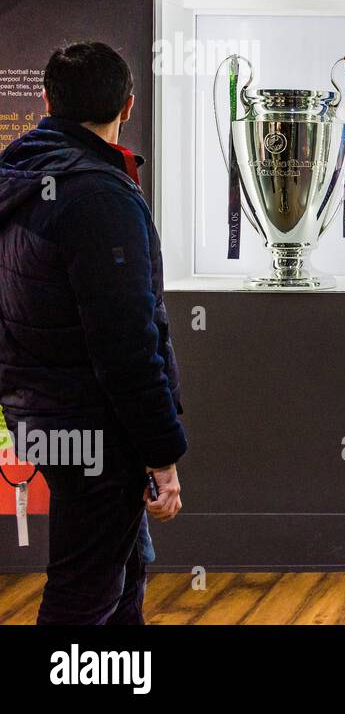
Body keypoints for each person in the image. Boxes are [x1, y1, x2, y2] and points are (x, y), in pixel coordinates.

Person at [0, 41, 185, 624]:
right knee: (85, 594)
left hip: (42, 416)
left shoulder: (21, 178)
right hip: (96, 428)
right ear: (128, 106)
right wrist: (162, 454)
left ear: (48, 101)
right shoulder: (98, 195)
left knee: (118, 576)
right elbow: (127, 348)